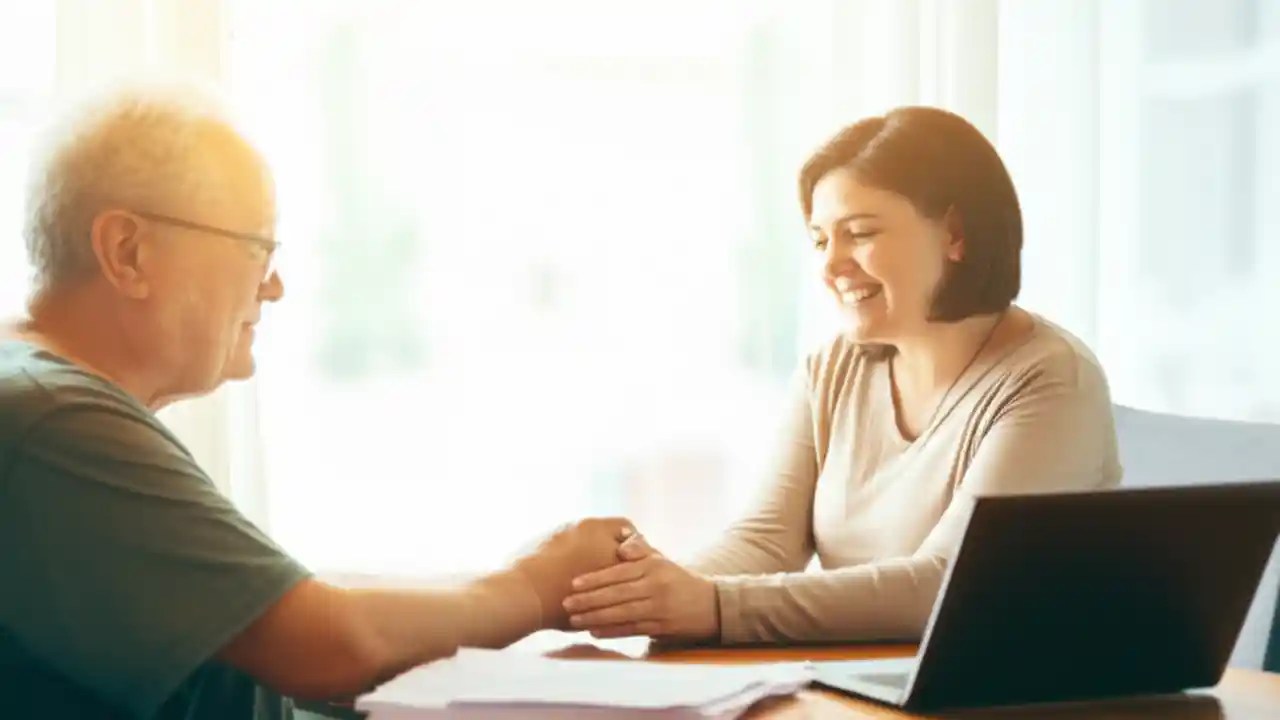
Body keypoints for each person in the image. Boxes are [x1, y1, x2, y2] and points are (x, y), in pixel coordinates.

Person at [0, 89, 634, 719]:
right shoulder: (54, 418)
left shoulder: (38, 395)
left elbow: (281, 615)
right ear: (127, 253)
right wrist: (539, 588)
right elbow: (329, 644)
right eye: (258, 249)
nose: (273, 287)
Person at [562, 106, 1123, 645]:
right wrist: (657, 592)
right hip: (865, 680)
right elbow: (764, 542)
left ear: (955, 234)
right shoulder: (833, 368)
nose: (831, 266)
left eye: (860, 232)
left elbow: (947, 587)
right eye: (821, 239)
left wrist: (712, 606)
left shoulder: (1050, 379)